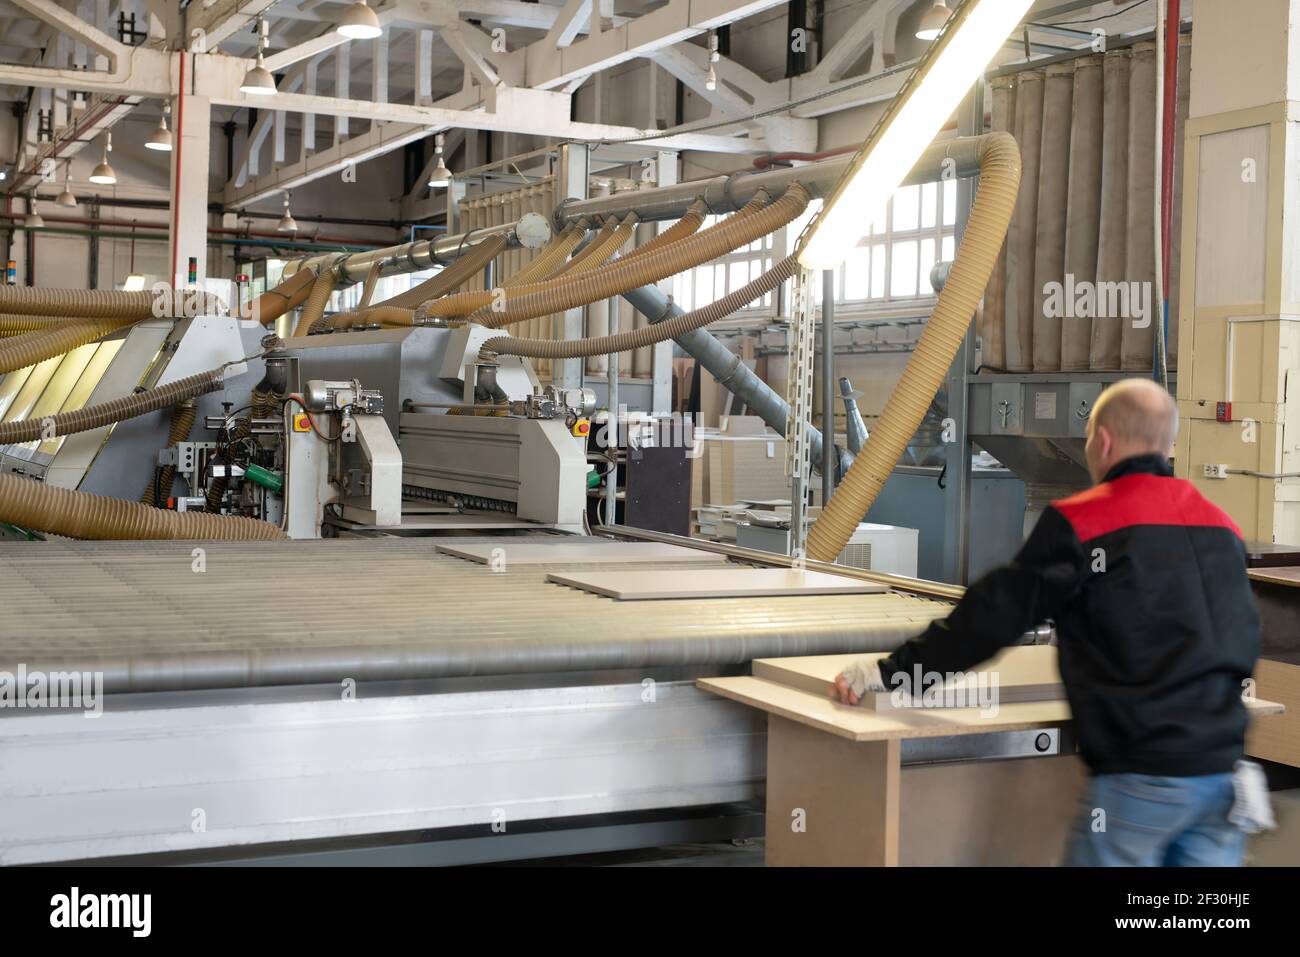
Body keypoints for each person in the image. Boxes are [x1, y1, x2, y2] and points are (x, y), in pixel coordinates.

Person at [833, 378, 1267, 866]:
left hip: (1142, 775)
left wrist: (893, 673)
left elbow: (993, 617)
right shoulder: (1220, 524)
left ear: (1102, 441)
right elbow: (1241, 634)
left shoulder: (1086, 521)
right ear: (1169, 444)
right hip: (1223, 775)